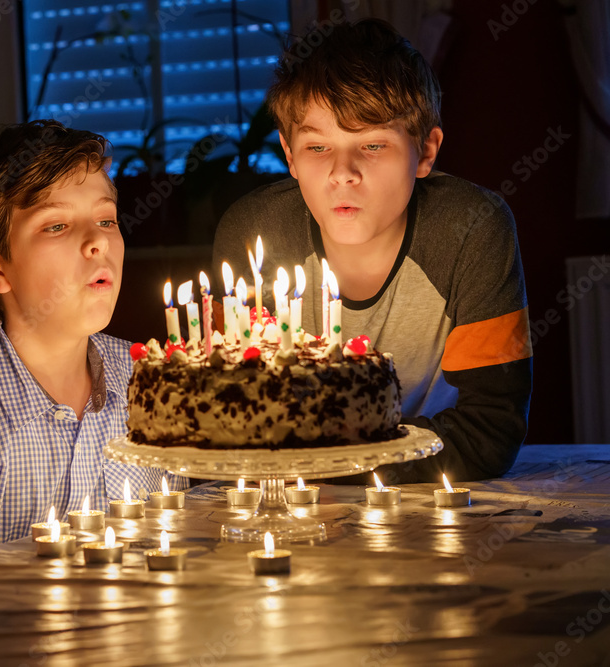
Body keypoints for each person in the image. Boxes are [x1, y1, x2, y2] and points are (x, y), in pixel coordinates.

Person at [213, 19, 532, 483]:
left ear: (425, 152)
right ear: (289, 155)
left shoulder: (472, 229)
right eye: (318, 146)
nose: (344, 172)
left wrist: (329, 460)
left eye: (373, 144)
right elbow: (233, 414)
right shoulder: (254, 233)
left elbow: (489, 430)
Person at [0, 120, 185, 556]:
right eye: (56, 226)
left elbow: (180, 537)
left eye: (106, 219)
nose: (97, 240)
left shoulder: (150, 378)